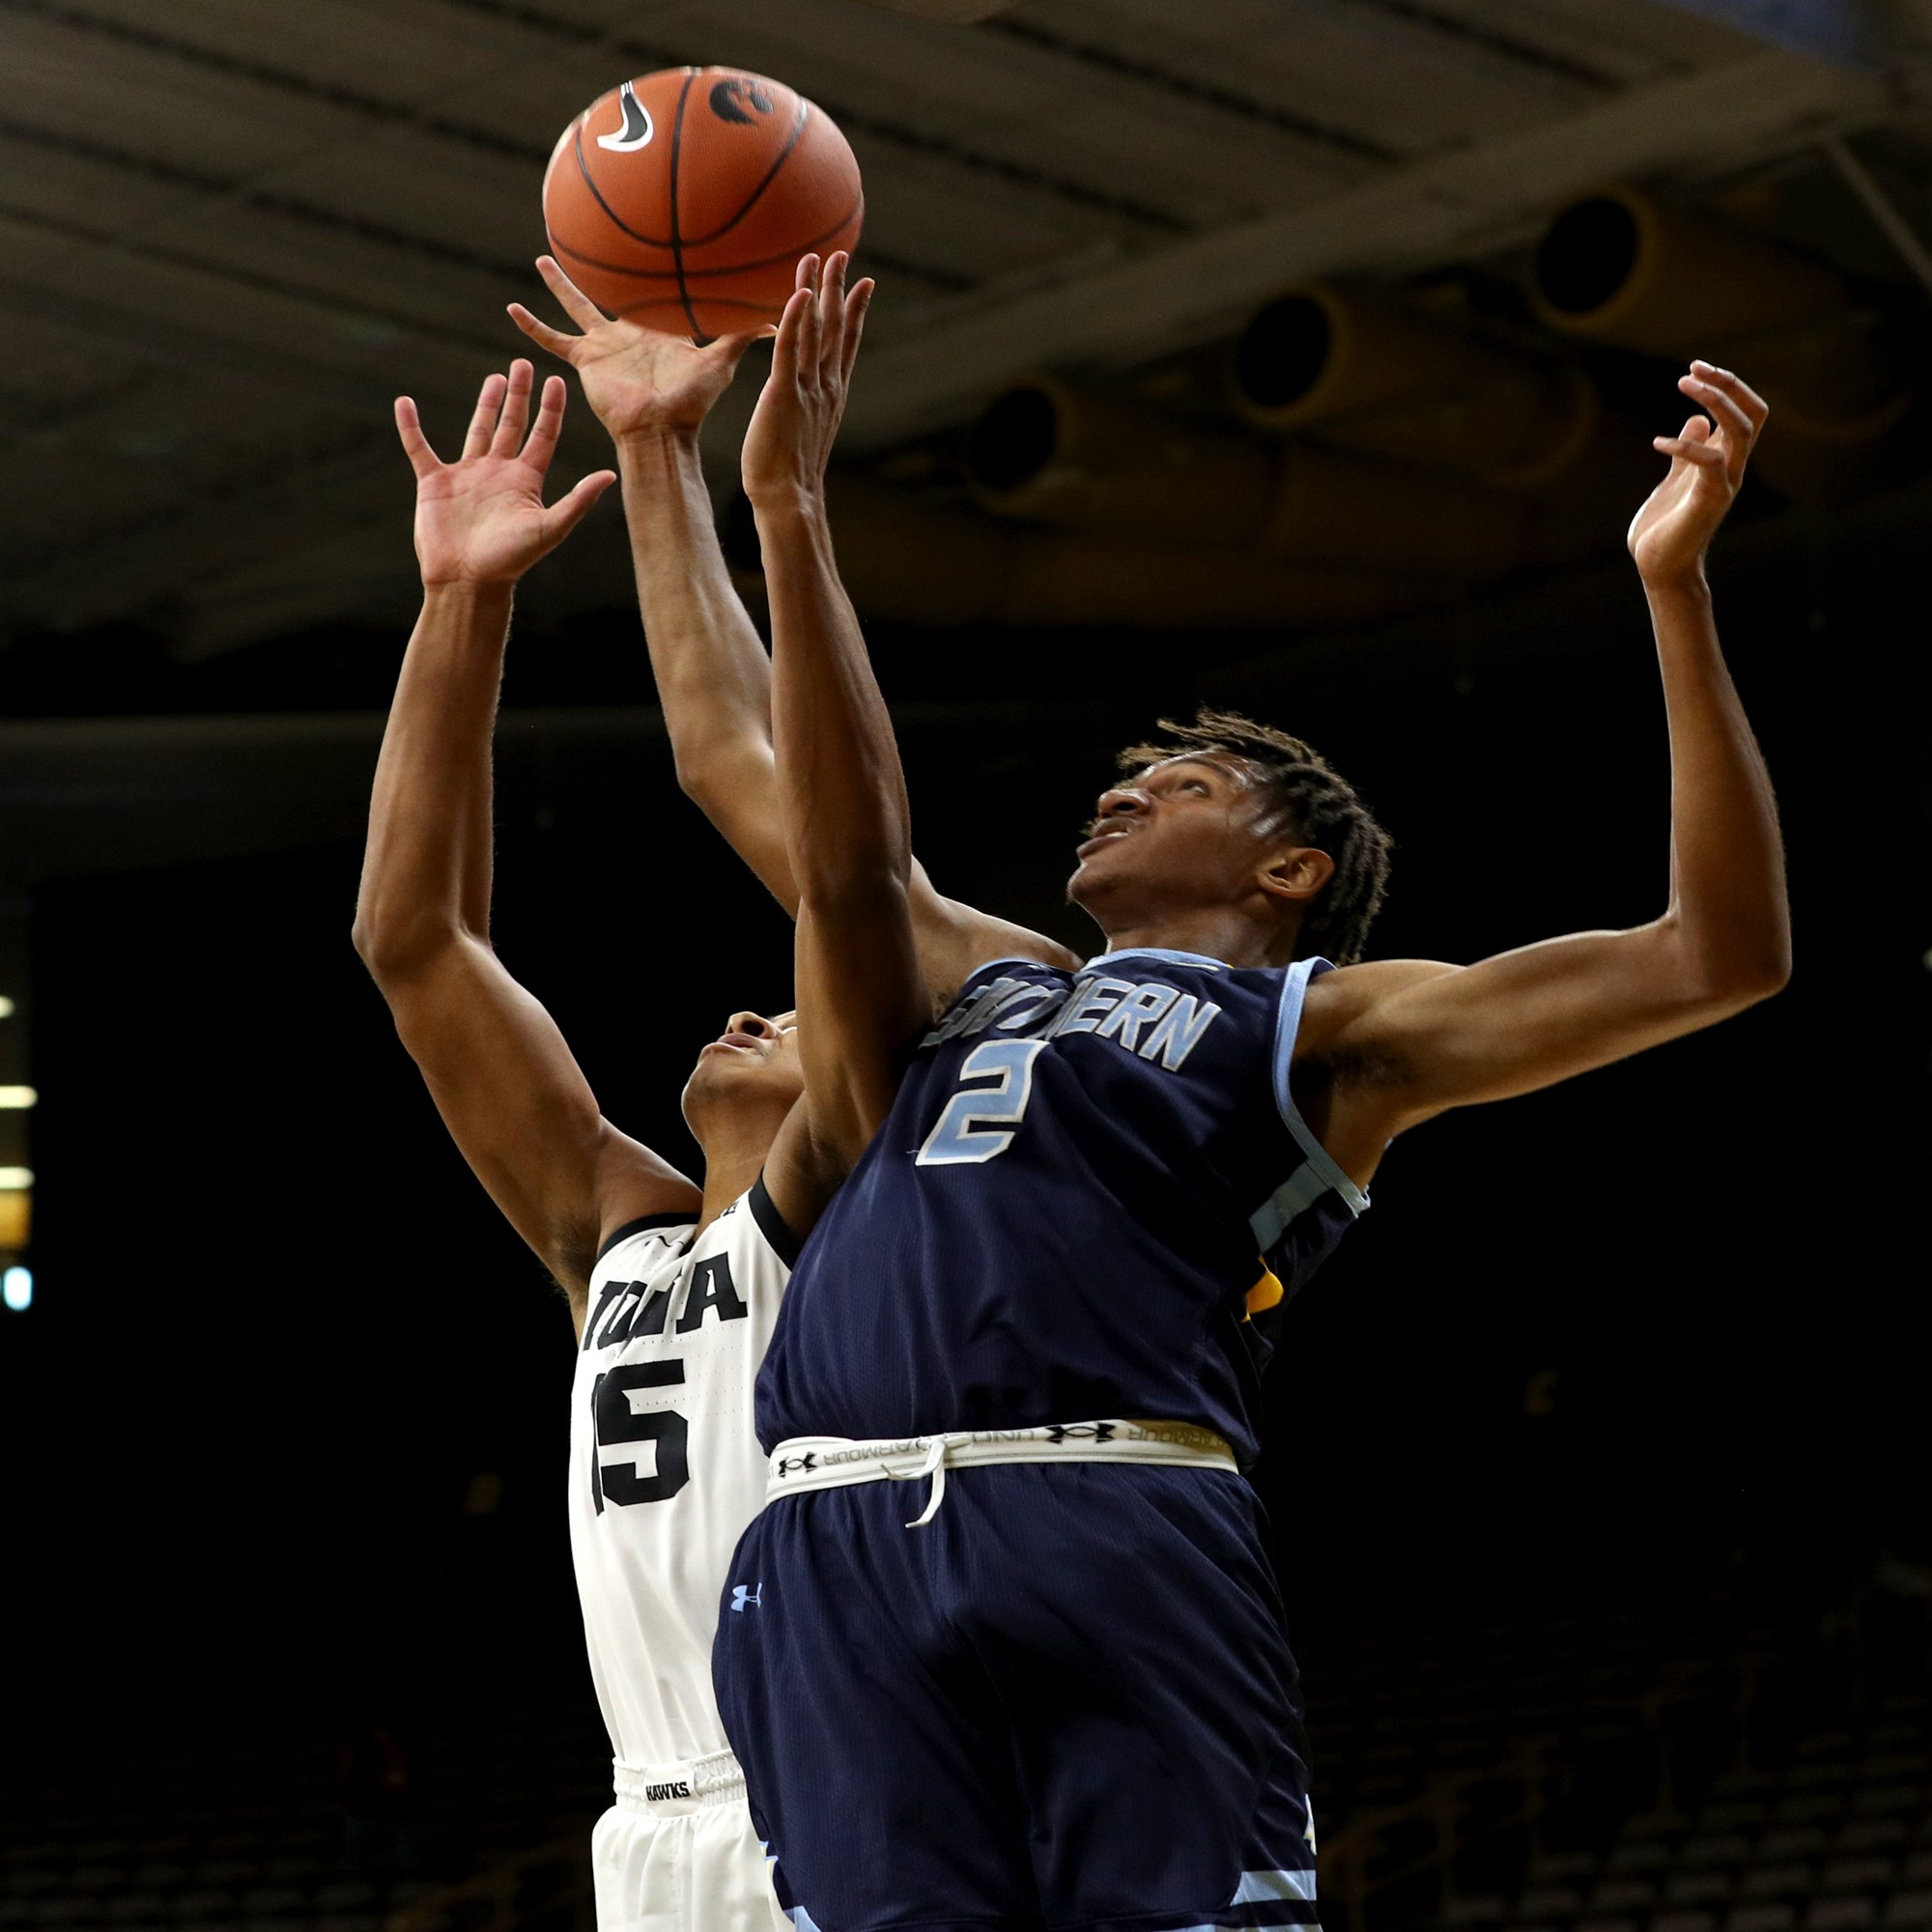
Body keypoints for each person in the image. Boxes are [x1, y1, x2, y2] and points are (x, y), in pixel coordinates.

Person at [715, 270, 1786, 1932]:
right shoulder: (982, 971)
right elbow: (745, 765)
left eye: (1185, 784)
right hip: (826, 1530)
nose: (1123, 785)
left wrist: (1675, 591)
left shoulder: (1324, 1026)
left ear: (1288, 869)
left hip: (1107, 1501)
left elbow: (1717, 954)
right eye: (1125, 776)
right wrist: (676, 463)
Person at [354, 340, 922, 1932]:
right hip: (647, 1825)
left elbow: (842, 878)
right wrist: (461, 605)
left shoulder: (854, 1199)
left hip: (848, 1795)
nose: (754, 1012)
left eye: (793, 1018)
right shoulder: (621, 1233)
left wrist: (692, 478)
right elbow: (416, 945)